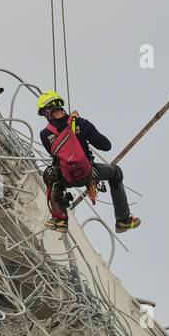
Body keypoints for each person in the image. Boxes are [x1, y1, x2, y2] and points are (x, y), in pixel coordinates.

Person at [35, 90, 141, 234]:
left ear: (47, 112)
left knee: (50, 173)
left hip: (67, 179)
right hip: (90, 173)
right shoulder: (80, 122)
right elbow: (105, 145)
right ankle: (123, 220)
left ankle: (60, 219)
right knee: (116, 173)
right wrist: (84, 130)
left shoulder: (45, 134)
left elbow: (57, 158)